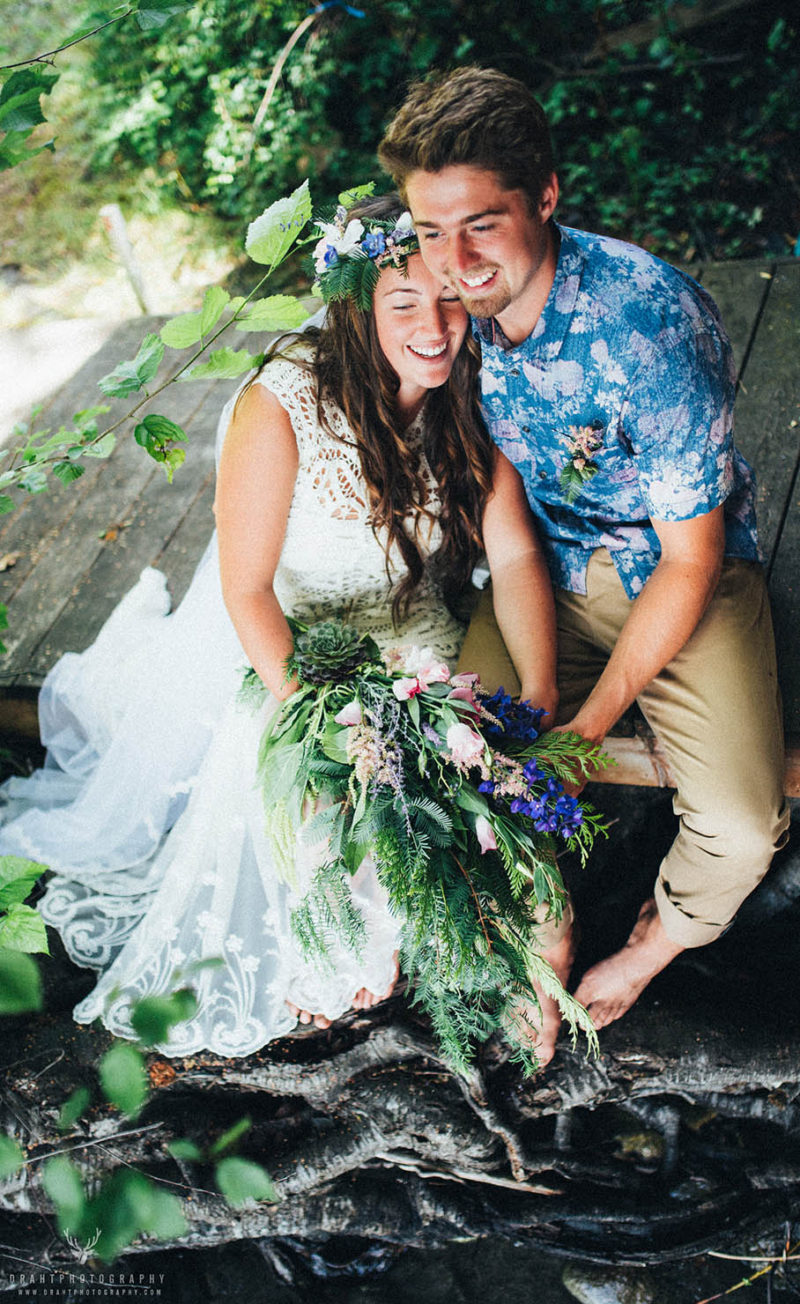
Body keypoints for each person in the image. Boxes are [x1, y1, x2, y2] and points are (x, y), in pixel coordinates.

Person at [0, 194, 560, 1058]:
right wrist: (316, 713)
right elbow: (248, 589)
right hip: (296, 648)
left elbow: (514, 556)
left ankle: (492, 945)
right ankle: (346, 941)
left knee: (456, 773)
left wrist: (541, 687)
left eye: (450, 297)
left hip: (418, 635)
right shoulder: (283, 403)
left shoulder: (475, 388)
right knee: (318, 781)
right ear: (357, 309)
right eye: (403, 303)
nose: (436, 327)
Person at [378, 67, 790, 1052]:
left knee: (741, 825)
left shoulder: (649, 330)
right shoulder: (449, 304)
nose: (453, 263)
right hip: (537, 570)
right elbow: (491, 479)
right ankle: (543, 924)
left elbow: (690, 559)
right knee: (446, 758)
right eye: (431, 231)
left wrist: (587, 724)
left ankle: (653, 943)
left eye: (481, 224)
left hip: (676, 571)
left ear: (546, 196)